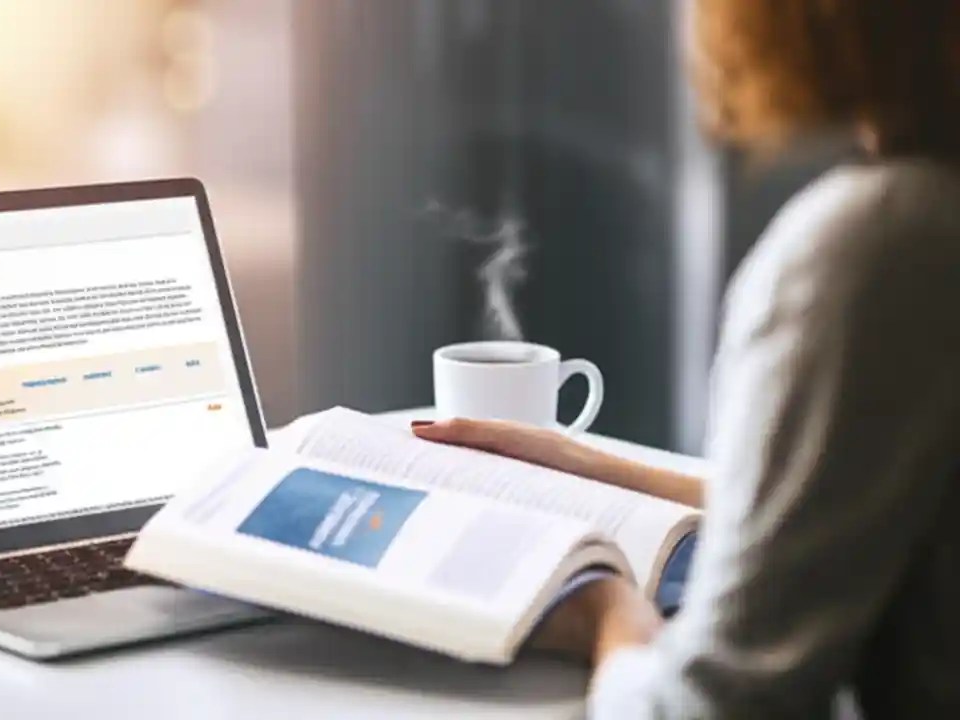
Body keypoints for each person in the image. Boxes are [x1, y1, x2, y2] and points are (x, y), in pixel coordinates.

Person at [411, 1, 960, 717]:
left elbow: (707, 708)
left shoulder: (885, 248)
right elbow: (852, 487)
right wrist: (592, 467)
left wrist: (606, 610)